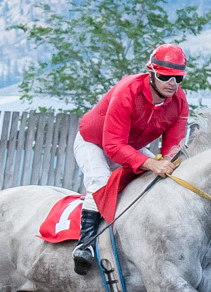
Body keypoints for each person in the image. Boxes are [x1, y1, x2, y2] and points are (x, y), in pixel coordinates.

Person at [69, 43, 190, 274]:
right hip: (94, 142)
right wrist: (152, 163)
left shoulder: (180, 101)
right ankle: (85, 245)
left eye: (178, 78)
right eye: (165, 76)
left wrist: (170, 164)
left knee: (161, 179)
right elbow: (113, 146)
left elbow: (172, 149)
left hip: (129, 146)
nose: (172, 83)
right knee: (101, 182)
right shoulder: (128, 90)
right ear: (151, 73)